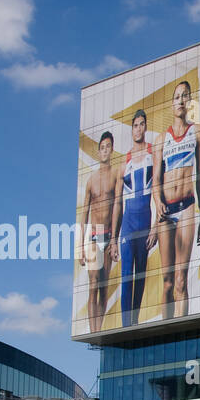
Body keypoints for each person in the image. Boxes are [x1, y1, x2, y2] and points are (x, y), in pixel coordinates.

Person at [154, 80, 200, 320]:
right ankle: (165, 331)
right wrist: (158, 203)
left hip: (187, 205)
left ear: (189, 101)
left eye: (185, 96)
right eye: (177, 96)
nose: (181, 100)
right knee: (166, 281)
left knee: (180, 280)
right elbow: (155, 180)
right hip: (167, 211)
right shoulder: (161, 139)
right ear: (171, 103)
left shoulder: (196, 131)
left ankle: (180, 329)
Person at [112, 108, 158, 327]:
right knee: (126, 276)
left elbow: (158, 190)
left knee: (140, 276)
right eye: (135, 125)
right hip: (128, 227)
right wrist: (113, 239)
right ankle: (124, 326)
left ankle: (135, 323)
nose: (138, 128)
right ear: (131, 130)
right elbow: (117, 204)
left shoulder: (153, 153)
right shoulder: (124, 163)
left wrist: (156, 227)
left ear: (145, 127)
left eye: (141, 124)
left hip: (145, 224)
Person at [81, 130, 119, 334]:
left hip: (108, 234)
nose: (105, 151)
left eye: (108, 147)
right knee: (93, 283)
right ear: (98, 152)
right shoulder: (91, 180)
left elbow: (117, 207)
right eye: (102, 147)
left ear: (112, 150)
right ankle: (93, 330)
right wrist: (80, 248)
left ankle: (99, 329)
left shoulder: (115, 175)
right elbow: (84, 214)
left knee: (104, 286)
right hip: (94, 235)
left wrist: (114, 240)